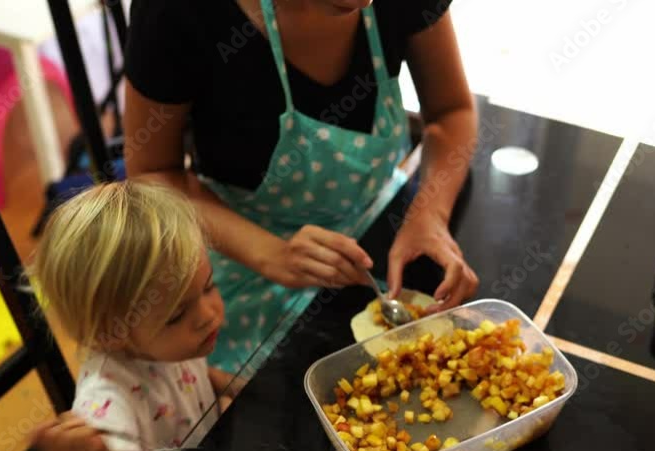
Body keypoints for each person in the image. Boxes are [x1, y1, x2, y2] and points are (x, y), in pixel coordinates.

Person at [123, 0, 480, 372]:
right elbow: (153, 175)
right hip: (242, 255)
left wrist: (430, 215)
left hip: (375, 218)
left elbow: (451, 111)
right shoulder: (175, 10)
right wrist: (271, 253)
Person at [28, 182, 237, 451]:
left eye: (208, 287)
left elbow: (196, 377)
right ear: (112, 333)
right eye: (176, 314)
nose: (207, 314)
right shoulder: (107, 399)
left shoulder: (174, 342)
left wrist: (242, 387)